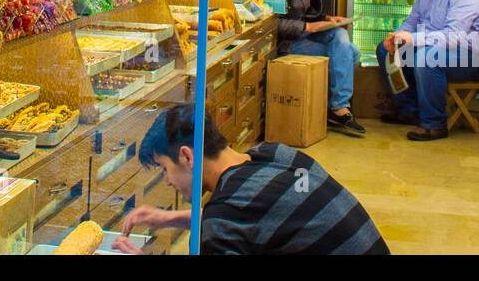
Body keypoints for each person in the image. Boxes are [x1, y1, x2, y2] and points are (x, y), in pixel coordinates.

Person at [115, 104, 390, 255]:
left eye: (164, 168)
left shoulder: (222, 220)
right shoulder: (275, 153)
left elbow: (235, 218)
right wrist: (170, 219)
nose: (167, 181)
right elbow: (257, 216)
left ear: (188, 157)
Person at [376, 0, 479, 142]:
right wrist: (396, 36)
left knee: (427, 58)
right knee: (385, 51)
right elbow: (413, 20)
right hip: (434, 47)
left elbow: (453, 37)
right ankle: (410, 110)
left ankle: (434, 124)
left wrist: (413, 38)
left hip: (469, 57)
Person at [274, 0, 364, 135]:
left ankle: (336, 106)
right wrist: (308, 27)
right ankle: (338, 107)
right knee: (349, 53)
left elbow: (306, 12)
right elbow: (274, 24)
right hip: (288, 43)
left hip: (304, 36)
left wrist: (326, 19)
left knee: (347, 44)